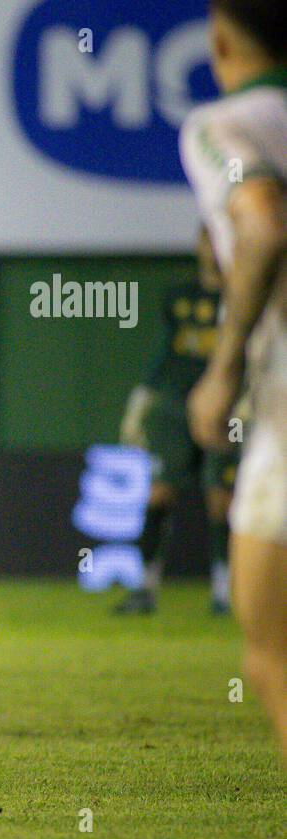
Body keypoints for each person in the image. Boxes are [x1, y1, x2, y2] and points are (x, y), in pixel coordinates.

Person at [181, 0, 287, 765]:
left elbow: (261, 223)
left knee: (273, 656)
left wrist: (223, 372)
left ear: (220, 39)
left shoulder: (223, 125)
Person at [115, 227, 239, 615]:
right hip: (174, 409)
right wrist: (138, 407)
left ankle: (225, 592)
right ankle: (145, 588)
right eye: (209, 240)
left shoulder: (245, 293)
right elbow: (163, 355)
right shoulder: (180, 298)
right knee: (159, 494)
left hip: (228, 408)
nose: (214, 250)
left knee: (222, 500)